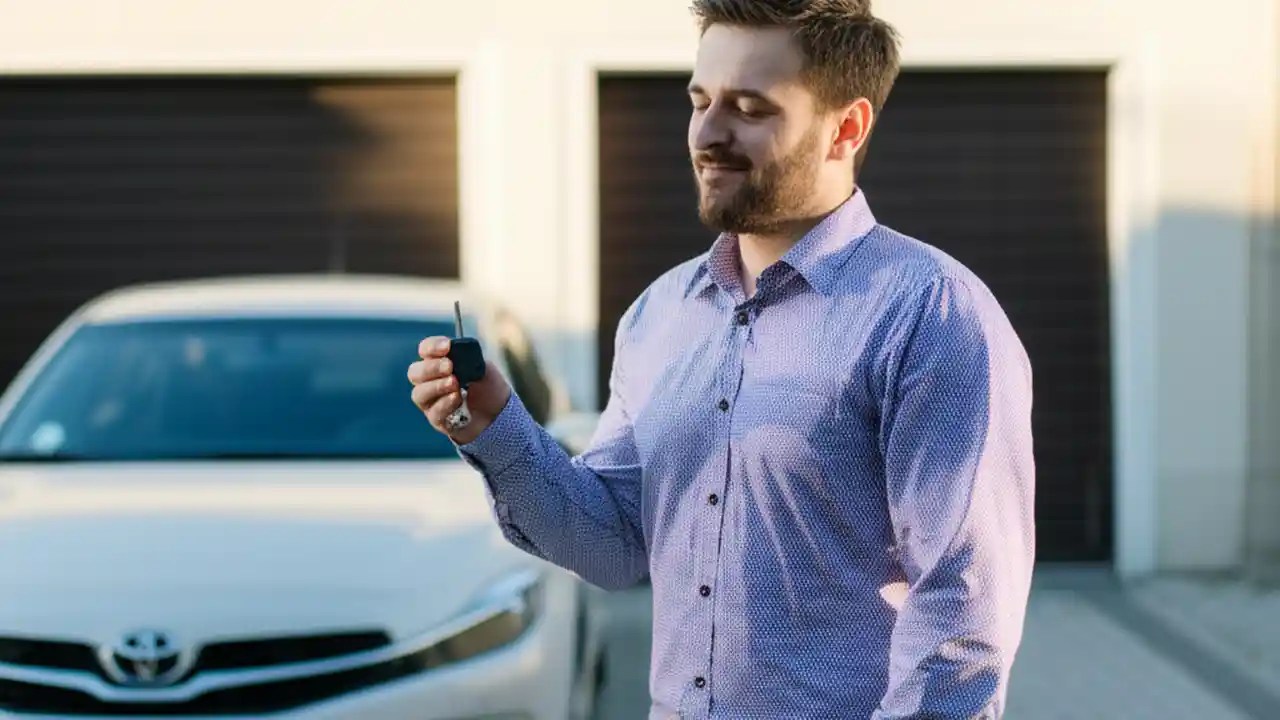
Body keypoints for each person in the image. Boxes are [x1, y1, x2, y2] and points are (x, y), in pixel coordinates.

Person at [408, 1, 1035, 717]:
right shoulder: (658, 316)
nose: (707, 134)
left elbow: (964, 608)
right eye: (700, 101)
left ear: (847, 128)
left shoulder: (931, 316)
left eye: (749, 108)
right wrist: (494, 425)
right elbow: (614, 548)